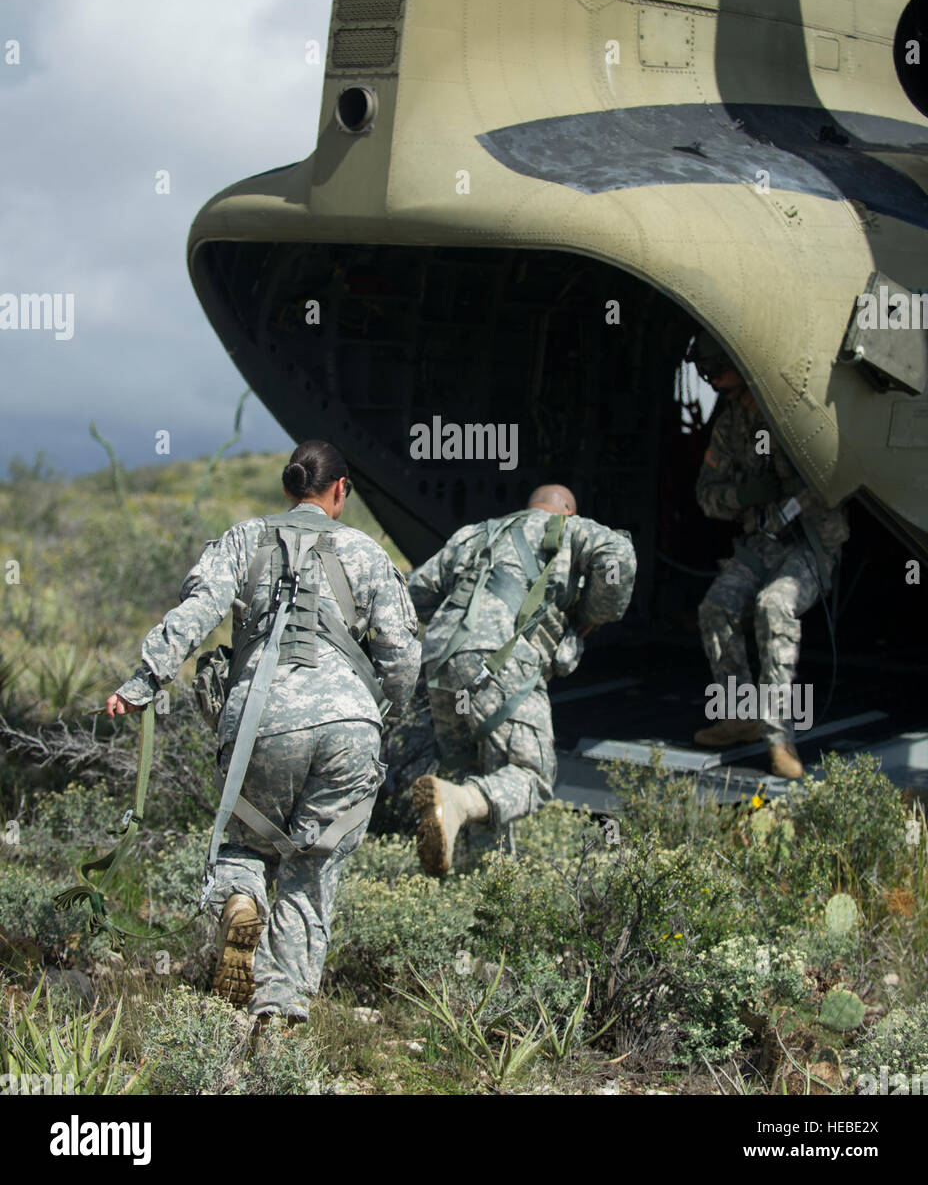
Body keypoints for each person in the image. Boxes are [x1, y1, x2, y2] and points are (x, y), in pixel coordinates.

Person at [105, 441, 420, 1025]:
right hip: (348, 728)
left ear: (287, 488)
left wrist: (143, 681)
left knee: (242, 840)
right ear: (340, 491)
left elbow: (196, 614)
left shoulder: (242, 538)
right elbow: (400, 658)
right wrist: (384, 712)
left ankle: (242, 898)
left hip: (260, 722)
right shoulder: (367, 552)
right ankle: (280, 1009)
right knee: (314, 862)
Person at [406, 484, 636, 875]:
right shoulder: (571, 530)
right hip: (500, 661)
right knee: (533, 774)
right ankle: (460, 803)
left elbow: (416, 593)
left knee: (472, 771)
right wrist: (591, 614)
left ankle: (475, 880)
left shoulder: (475, 533)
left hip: (443, 659)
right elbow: (619, 557)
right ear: (567, 511)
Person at [690, 333, 849, 779]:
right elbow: (707, 496)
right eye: (710, 373)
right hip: (760, 544)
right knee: (716, 607)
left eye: (719, 369)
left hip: (809, 544)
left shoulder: (796, 415)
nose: (715, 379)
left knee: (774, 606)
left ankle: (779, 739)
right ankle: (738, 715)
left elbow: (834, 477)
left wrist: (791, 500)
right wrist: (743, 496)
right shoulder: (729, 425)